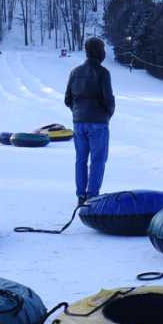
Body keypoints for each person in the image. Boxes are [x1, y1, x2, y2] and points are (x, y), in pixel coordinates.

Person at [63, 37, 115, 201]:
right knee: (98, 160)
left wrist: (78, 112)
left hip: (79, 123)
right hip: (98, 122)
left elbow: (67, 99)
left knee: (80, 159)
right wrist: (107, 114)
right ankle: (92, 195)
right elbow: (109, 99)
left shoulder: (75, 72)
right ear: (100, 52)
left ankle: (80, 194)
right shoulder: (103, 73)